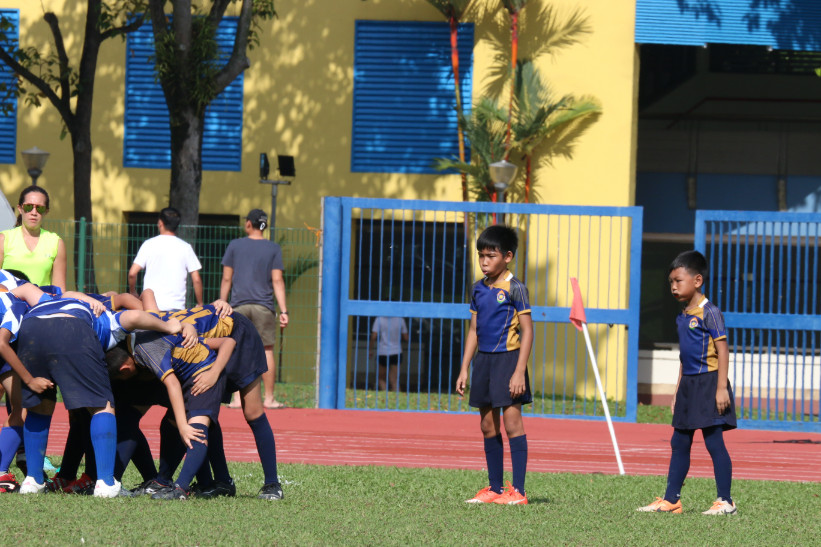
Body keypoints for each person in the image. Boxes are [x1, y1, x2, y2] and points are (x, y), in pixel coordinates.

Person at [637, 250, 737, 515]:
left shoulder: (710, 312)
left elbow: (723, 350)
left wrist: (721, 388)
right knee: (679, 441)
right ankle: (672, 500)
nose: (673, 286)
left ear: (697, 280)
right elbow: (685, 357)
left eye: (678, 281)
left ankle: (726, 501)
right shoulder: (682, 315)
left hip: (709, 383)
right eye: (671, 281)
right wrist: (676, 390)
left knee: (714, 442)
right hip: (688, 386)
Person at [456, 225, 533, 506]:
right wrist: (464, 368)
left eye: (491, 256)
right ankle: (495, 488)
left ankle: (519, 492)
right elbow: (473, 330)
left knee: (512, 425)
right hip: (484, 362)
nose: (484, 261)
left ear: (507, 256)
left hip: (508, 360)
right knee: (488, 426)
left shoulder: (516, 288)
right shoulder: (477, 288)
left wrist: (519, 371)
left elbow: (528, 331)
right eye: (481, 255)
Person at [220, 209, 288, 409]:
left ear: (249, 223)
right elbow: (277, 280)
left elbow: (226, 278)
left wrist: (222, 304)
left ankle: (236, 399)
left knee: (236, 349)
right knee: (267, 350)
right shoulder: (273, 248)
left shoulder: (235, 245)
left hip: (238, 306)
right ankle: (269, 398)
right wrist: (284, 311)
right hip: (264, 307)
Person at [128, 207, 203, 311]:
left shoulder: (149, 244)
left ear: (160, 223)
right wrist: (200, 303)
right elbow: (197, 280)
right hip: (176, 309)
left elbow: (132, 273)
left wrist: (133, 292)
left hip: (150, 307)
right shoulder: (186, 248)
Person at [0, 185, 66, 291]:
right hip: (10, 300)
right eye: (28, 207)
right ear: (20, 209)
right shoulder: (3, 239)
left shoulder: (56, 242)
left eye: (40, 208)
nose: (34, 212)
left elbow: (59, 290)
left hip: (41, 301)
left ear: (46, 211)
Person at [370, 316, 408, 391]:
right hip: (396, 352)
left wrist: (370, 349)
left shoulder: (379, 319)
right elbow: (406, 337)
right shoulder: (401, 320)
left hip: (383, 352)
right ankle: (397, 397)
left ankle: (385, 396)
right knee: (394, 380)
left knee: (381, 378)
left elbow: (374, 336)